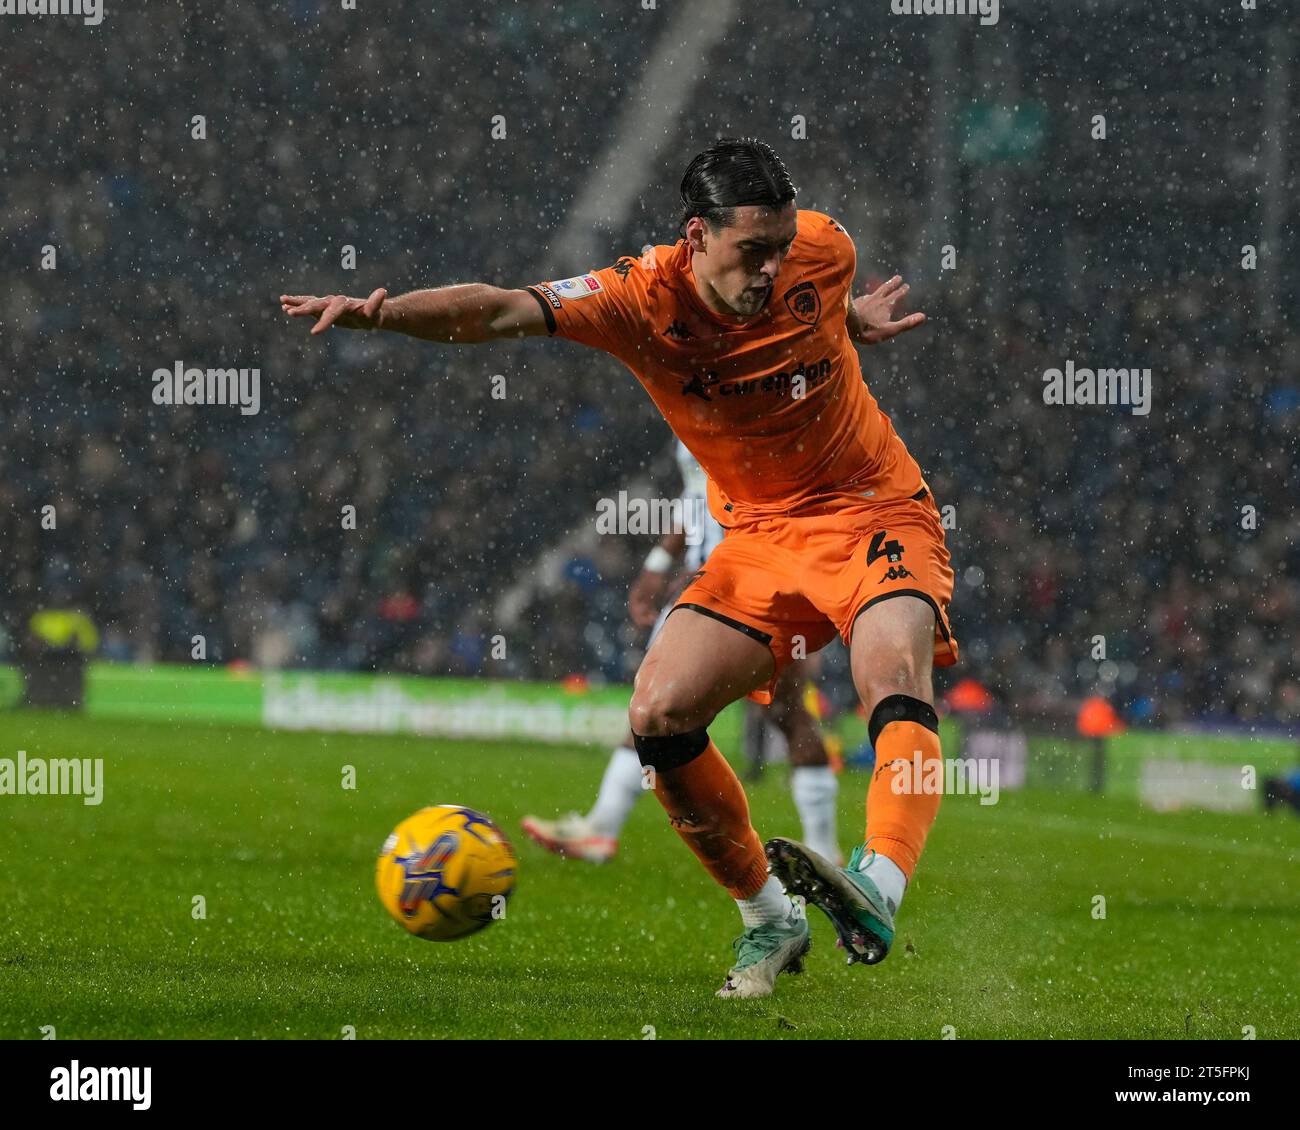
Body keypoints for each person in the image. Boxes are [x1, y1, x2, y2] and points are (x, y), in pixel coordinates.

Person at [281, 136, 958, 999]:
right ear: (697, 235)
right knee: (659, 712)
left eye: (783, 249)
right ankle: (769, 919)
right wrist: (385, 314)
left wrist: (843, 317)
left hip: (873, 505)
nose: (774, 268)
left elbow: (814, 300)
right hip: (756, 534)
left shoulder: (823, 249)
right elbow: (497, 311)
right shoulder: (637, 298)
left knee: (889, 666)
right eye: (754, 252)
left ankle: (878, 885)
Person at [521, 440, 841, 865]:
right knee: (656, 709)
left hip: (751, 581)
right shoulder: (689, 407)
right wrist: (658, 563)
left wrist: (729, 558)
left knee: (777, 711)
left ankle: (817, 848)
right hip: (707, 584)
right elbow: (696, 496)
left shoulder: (751, 407)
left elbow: (773, 495)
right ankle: (602, 828)